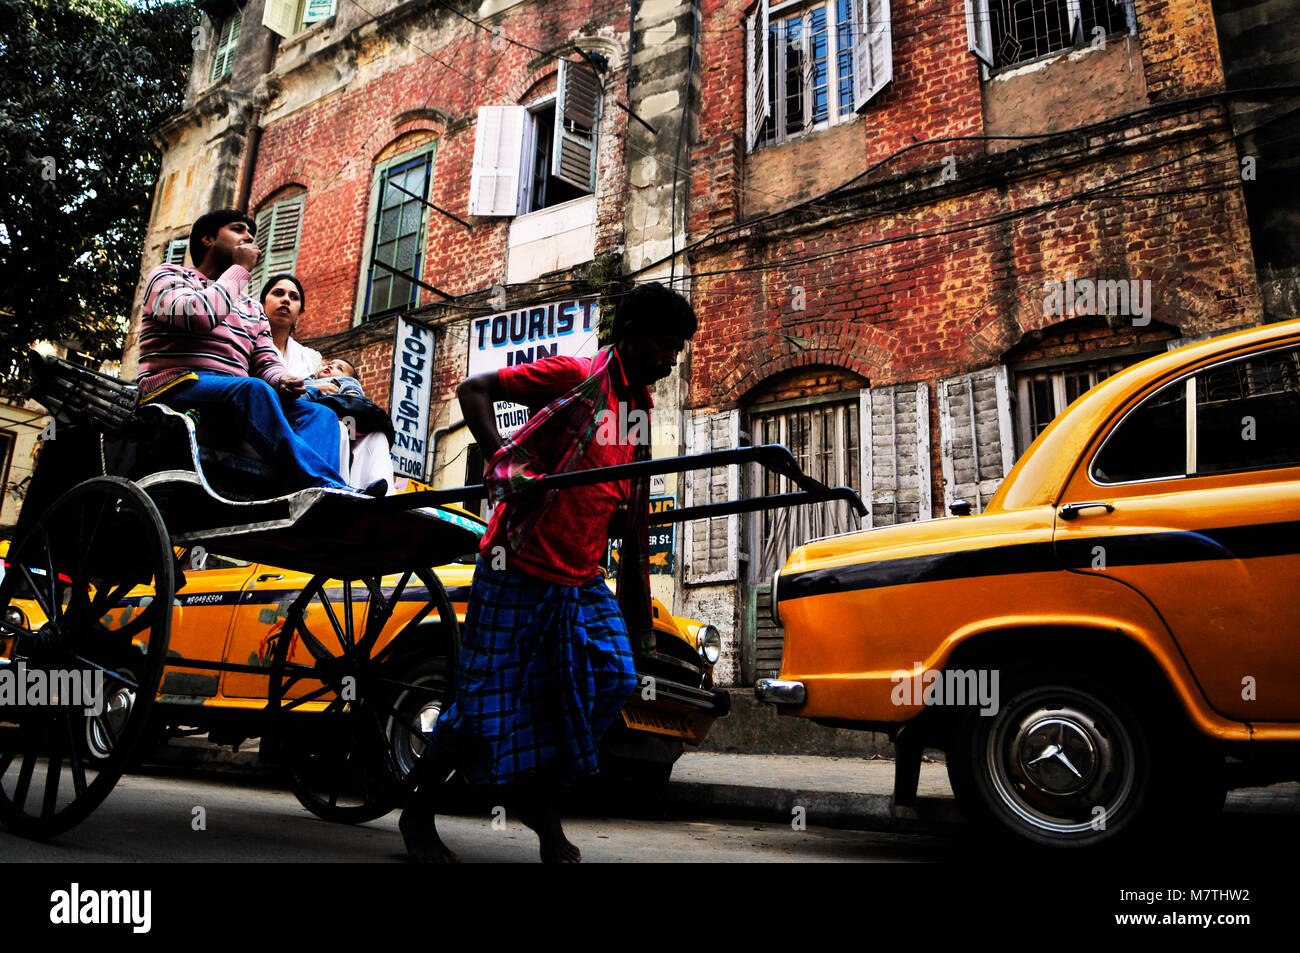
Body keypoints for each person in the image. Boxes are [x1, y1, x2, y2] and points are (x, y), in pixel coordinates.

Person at [399, 282, 698, 863]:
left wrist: (618, 519)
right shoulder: (576, 376)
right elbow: (474, 388)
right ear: (632, 336)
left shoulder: (637, 408)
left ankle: (540, 801)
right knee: (483, 708)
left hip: (582, 576)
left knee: (611, 678)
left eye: (677, 349)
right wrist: (502, 458)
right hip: (519, 564)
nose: (670, 359)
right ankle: (418, 811)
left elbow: (615, 484)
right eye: (664, 345)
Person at [138, 209, 380, 495]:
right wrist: (239, 271)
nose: (249, 237)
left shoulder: (252, 308)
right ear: (207, 239)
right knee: (253, 390)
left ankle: (302, 495)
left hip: (234, 396)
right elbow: (199, 315)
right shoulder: (169, 277)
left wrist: (280, 379)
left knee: (321, 416)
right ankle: (325, 486)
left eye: (250, 233)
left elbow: (265, 360)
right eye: (238, 229)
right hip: (178, 385)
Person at [261, 274, 395, 495]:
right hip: (277, 415)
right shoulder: (250, 339)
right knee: (337, 426)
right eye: (278, 293)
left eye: (293, 297)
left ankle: (382, 498)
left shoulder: (309, 357)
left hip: (308, 413)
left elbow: (330, 389)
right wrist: (313, 389)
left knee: (375, 435)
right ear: (262, 303)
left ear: (299, 314)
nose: (286, 300)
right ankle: (336, 494)